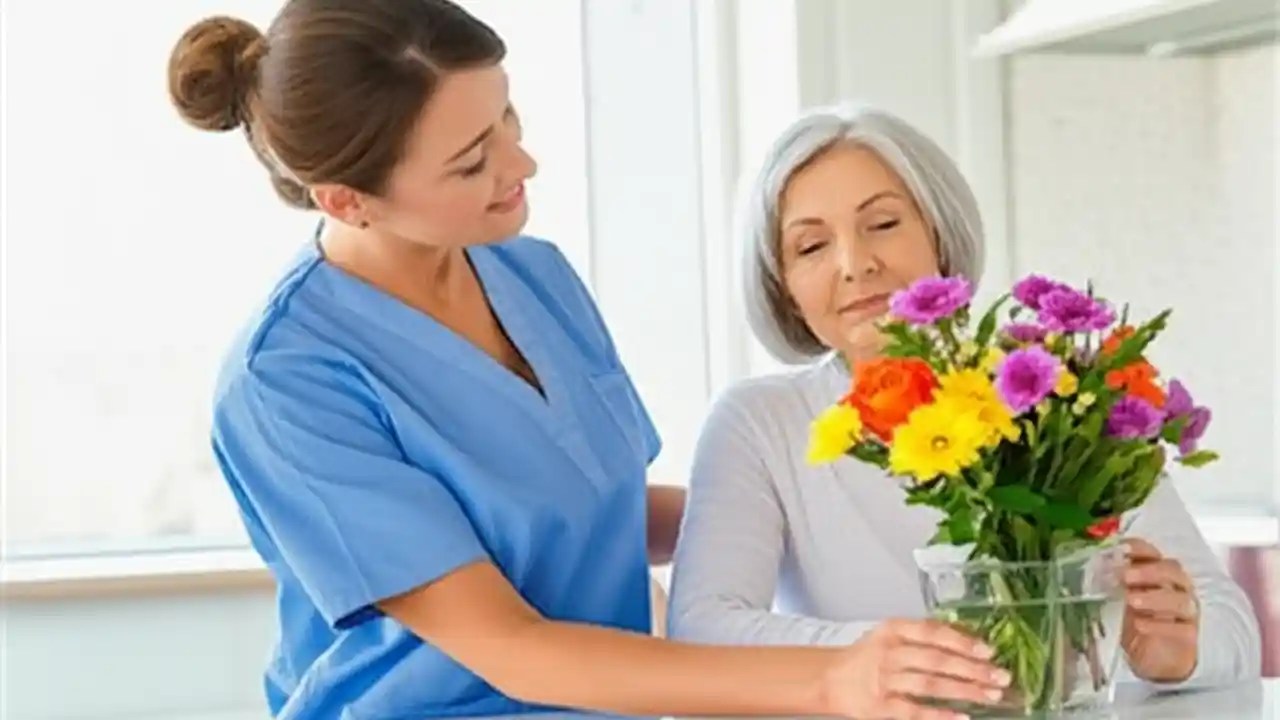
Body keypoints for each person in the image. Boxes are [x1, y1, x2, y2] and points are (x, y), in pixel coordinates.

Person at [169, 3, 1012, 719]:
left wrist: (880, 498)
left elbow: (583, 512)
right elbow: (514, 649)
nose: (520, 165)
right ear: (347, 200)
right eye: (472, 161)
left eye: (507, 120)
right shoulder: (287, 381)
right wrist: (833, 673)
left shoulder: (531, 275)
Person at [666, 102, 1263, 694]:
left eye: (883, 224)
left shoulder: (1060, 398)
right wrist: (917, 655)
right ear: (784, 289)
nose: (854, 265)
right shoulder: (760, 424)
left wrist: (1179, 650)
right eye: (810, 247)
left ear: (940, 235)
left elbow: (1233, 630)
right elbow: (702, 629)